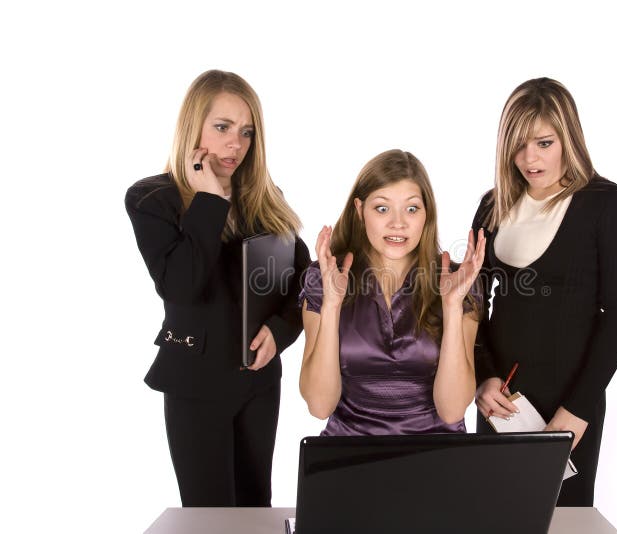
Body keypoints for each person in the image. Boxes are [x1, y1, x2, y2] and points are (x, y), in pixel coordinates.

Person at [125, 70, 310, 507]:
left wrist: (281, 331)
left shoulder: (263, 196)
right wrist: (209, 200)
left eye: (246, 132)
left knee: (255, 508)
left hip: (258, 380)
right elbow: (181, 286)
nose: (235, 145)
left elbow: (305, 279)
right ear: (194, 126)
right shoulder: (152, 199)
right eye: (223, 128)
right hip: (195, 382)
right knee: (209, 516)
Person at [472, 78, 617, 506]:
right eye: (518, 145)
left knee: (562, 520)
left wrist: (579, 408)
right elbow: (471, 304)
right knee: (490, 515)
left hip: (569, 407)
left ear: (569, 138)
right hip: (501, 403)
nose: (529, 159)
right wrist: (482, 377)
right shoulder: (492, 206)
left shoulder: (608, 205)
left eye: (544, 143)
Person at [299, 149, 486, 435]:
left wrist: (451, 306)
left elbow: (452, 410)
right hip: (348, 453)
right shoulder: (325, 276)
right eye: (382, 208)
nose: (398, 223)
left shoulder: (459, 281)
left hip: (438, 454)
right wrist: (332, 305)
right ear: (360, 210)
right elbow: (319, 406)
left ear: (427, 213)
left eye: (411, 209)